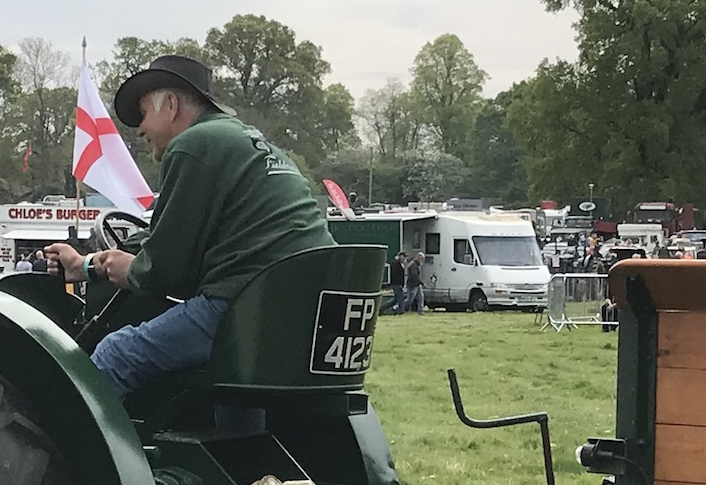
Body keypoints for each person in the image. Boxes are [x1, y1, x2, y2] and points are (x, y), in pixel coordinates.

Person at [42, 53, 332, 396]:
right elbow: (167, 234)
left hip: (245, 305)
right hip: (306, 303)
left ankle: (78, 451)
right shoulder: (244, 142)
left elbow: (165, 270)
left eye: (144, 113)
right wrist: (86, 265)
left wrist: (133, 270)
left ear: (172, 106)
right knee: (228, 390)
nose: (139, 129)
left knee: (115, 353)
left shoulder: (192, 146)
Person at [402, 250, 425, 314]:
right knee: (410, 299)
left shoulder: (416, 264)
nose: (422, 260)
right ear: (418, 257)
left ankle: (420, 310)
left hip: (417, 284)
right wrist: (421, 282)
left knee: (421, 297)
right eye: (421, 258)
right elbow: (414, 275)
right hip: (412, 285)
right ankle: (399, 306)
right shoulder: (413, 265)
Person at [387, 250, 409, 314]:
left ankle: (382, 308)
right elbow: (395, 274)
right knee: (400, 298)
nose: (404, 259)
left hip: (398, 284)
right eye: (404, 257)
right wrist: (399, 283)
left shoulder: (400, 264)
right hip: (396, 284)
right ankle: (401, 311)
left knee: (395, 299)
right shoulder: (395, 264)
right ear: (400, 256)